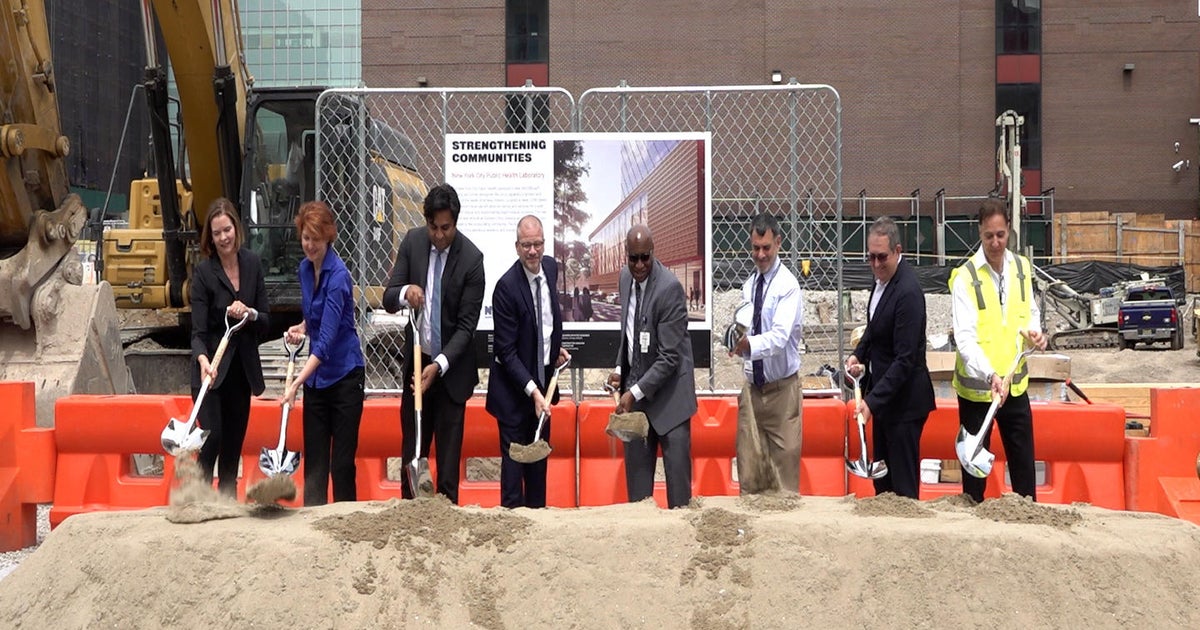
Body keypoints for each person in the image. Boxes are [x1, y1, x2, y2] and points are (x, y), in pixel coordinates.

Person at [383, 183, 485, 504]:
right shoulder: (413, 243)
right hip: (417, 366)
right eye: (433, 227)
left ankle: (447, 518)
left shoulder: (471, 259)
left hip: (451, 372)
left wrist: (438, 366)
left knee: (448, 467)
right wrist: (406, 293)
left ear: (455, 223)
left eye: (445, 228)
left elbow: (466, 328)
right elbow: (389, 297)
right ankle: (409, 515)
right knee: (413, 453)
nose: (439, 235)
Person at [950, 198, 1048, 503]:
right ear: (979, 232)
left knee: (1023, 467)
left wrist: (1034, 333)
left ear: (1009, 231)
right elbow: (965, 339)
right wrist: (990, 374)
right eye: (989, 236)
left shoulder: (1021, 268)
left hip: (1014, 387)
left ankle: (1026, 516)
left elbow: (1029, 312)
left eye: (1001, 235)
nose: (995, 243)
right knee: (974, 477)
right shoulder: (965, 278)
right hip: (978, 392)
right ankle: (973, 517)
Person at [605, 224, 696, 508]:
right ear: (626, 255)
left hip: (671, 402)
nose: (640, 265)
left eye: (645, 257)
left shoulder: (669, 289)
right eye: (634, 258)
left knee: (679, 500)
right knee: (638, 499)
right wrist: (620, 369)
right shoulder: (625, 279)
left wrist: (633, 393)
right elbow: (630, 332)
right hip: (638, 400)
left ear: (653, 253)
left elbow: (669, 357)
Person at [282, 200, 366, 506]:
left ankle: (345, 520)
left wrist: (295, 383)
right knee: (315, 464)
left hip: (344, 376)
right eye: (306, 238)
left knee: (340, 465)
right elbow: (316, 317)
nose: (310, 245)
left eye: (316, 239)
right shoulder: (305, 270)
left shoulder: (339, 276)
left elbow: (328, 339)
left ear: (328, 237)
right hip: (317, 381)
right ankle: (312, 521)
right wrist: (302, 327)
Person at [845, 216, 935, 499]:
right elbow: (874, 328)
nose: (875, 264)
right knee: (883, 485)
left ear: (897, 251)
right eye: (870, 257)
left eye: (881, 257)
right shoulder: (881, 281)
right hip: (886, 402)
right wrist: (858, 354)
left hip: (905, 405)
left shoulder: (908, 293)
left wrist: (871, 402)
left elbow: (905, 360)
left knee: (903, 489)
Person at [486, 215, 570, 508]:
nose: (532, 251)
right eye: (526, 245)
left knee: (538, 472)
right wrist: (534, 392)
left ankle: (537, 523)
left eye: (537, 244)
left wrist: (552, 349)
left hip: (543, 388)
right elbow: (506, 352)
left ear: (544, 244)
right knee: (514, 478)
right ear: (517, 247)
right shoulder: (506, 288)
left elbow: (543, 322)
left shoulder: (550, 269)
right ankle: (512, 528)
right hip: (514, 395)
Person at [190, 197, 270, 497]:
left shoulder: (252, 263)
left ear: (236, 227)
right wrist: (202, 360)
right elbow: (197, 333)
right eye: (217, 233)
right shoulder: (203, 273)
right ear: (210, 238)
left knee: (233, 444)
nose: (224, 237)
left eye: (227, 230)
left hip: (241, 372)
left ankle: (226, 503)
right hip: (210, 373)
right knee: (213, 437)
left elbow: (265, 319)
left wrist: (249, 313)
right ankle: (196, 499)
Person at [729, 214, 803, 494]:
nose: (761, 255)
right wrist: (735, 340)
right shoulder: (749, 285)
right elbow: (745, 326)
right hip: (752, 393)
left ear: (778, 243)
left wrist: (748, 345)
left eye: (766, 248)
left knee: (784, 484)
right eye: (756, 248)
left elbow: (780, 338)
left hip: (782, 393)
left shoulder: (788, 286)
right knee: (749, 479)